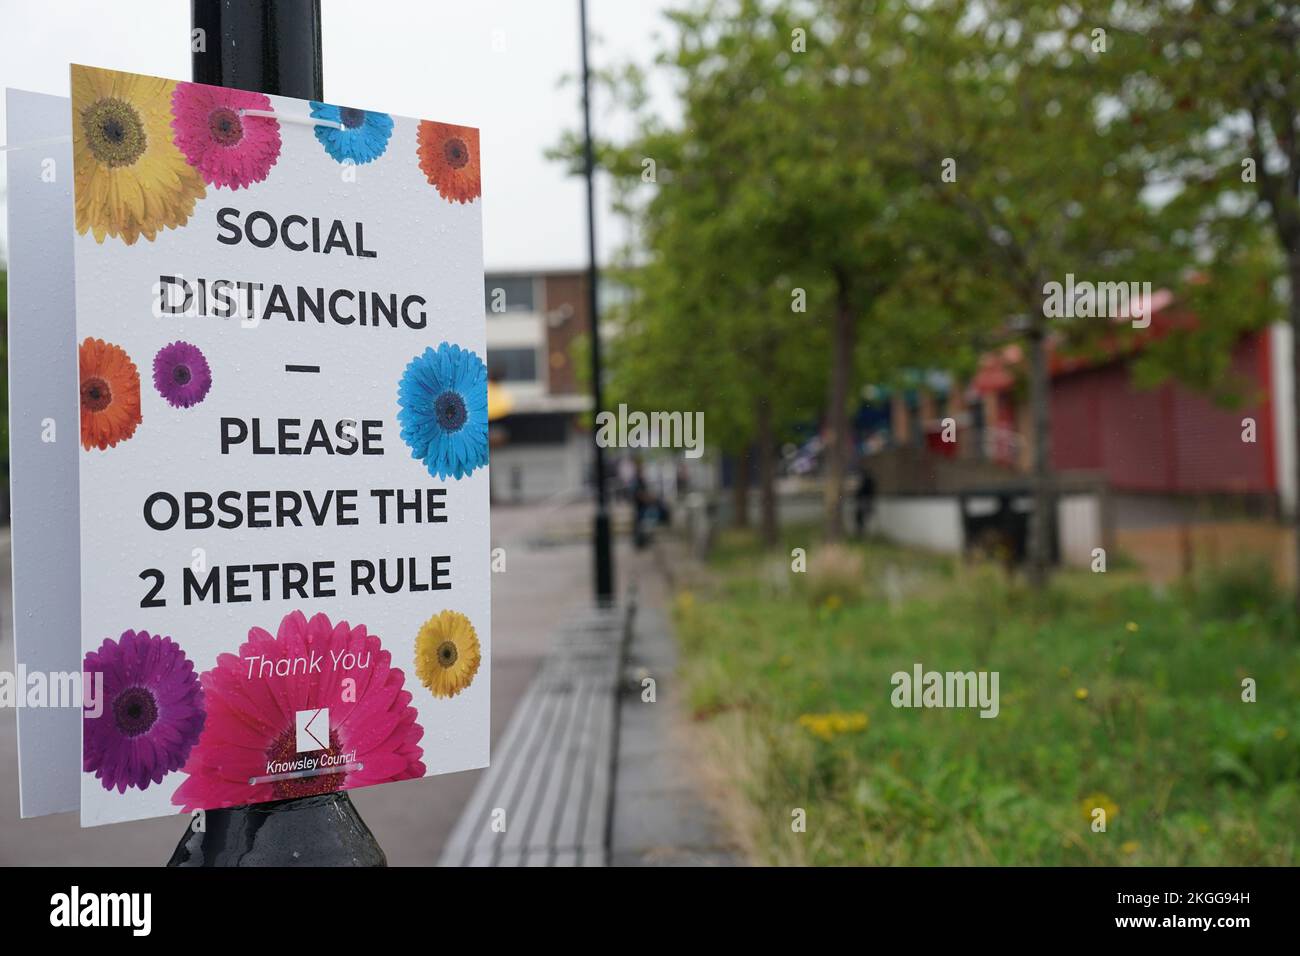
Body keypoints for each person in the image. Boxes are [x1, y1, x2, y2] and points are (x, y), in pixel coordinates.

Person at [854, 464, 876, 537]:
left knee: (862, 516)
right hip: (867, 500)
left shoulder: (866, 481)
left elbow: (861, 491)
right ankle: (861, 531)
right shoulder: (869, 481)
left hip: (865, 500)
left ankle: (862, 532)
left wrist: (857, 495)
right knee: (862, 516)